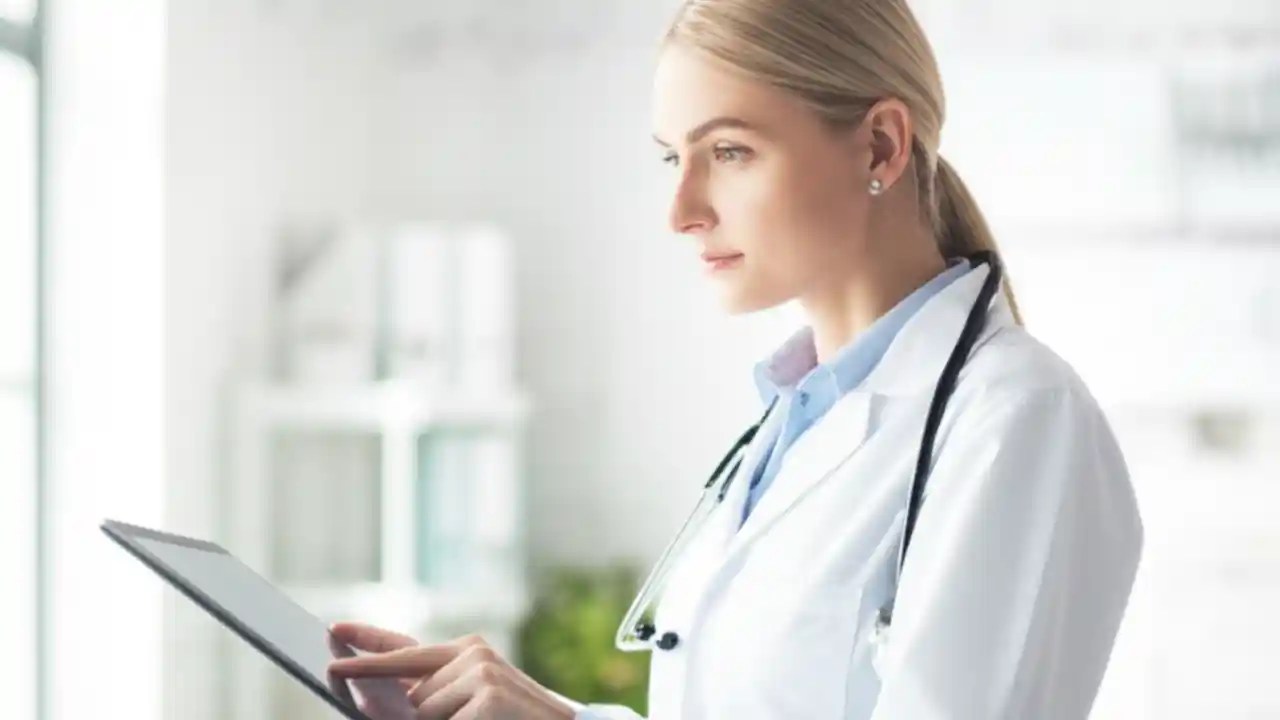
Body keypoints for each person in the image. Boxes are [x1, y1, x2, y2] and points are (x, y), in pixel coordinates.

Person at [326, 1, 1143, 717]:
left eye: (728, 152)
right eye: (671, 157)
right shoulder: (796, 419)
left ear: (880, 147)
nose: (681, 211)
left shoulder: (1015, 420)